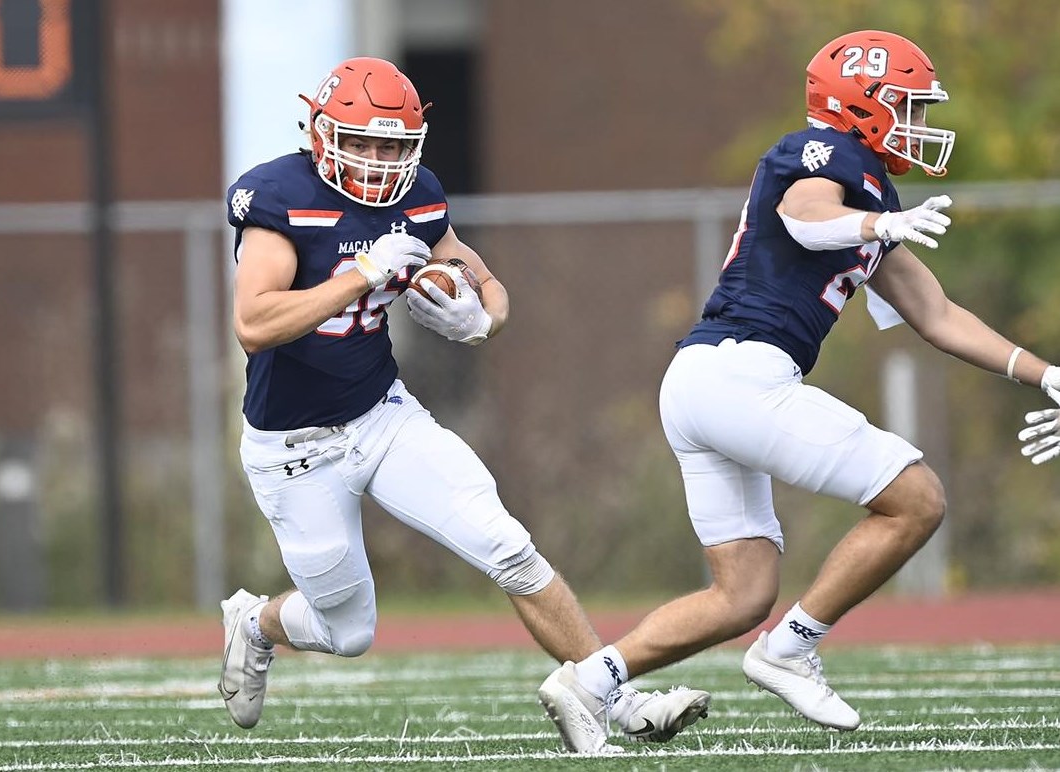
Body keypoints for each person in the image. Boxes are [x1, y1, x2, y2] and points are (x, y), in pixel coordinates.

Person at [537, 28, 1060, 745]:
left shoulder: (869, 188)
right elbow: (804, 214)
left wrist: (1046, 374)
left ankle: (586, 682)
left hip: (702, 381)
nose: (916, 122)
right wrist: (879, 220)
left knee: (742, 592)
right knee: (915, 500)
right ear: (861, 102)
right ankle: (790, 647)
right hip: (740, 374)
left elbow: (936, 315)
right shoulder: (829, 156)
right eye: (904, 105)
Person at [218, 57, 710, 754]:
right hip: (292, 445)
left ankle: (614, 695)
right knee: (346, 631)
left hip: (381, 414)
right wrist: (360, 275)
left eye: (392, 146)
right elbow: (255, 322)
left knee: (505, 543)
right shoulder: (276, 194)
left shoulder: (417, 195)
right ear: (322, 133)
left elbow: (483, 282)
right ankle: (255, 623)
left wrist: (477, 317)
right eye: (361, 141)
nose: (378, 160)